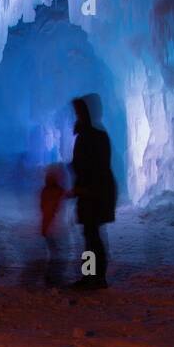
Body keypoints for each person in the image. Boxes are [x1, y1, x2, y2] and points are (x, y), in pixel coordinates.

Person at [68, 95, 117, 289]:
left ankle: (92, 277)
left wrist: (83, 185)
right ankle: (95, 277)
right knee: (92, 235)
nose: (76, 115)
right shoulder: (94, 134)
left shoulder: (92, 135)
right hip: (95, 191)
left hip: (93, 192)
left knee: (91, 236)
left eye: (79, 112)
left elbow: (93, 166)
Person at [40, 164, 67, 287]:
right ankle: (52, 277)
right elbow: (65, 194)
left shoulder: (47, 191)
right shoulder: (54, 191)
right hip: (52, 228)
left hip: (50, 228)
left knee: (55, 252)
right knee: (56, 253)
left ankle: (52, 276)